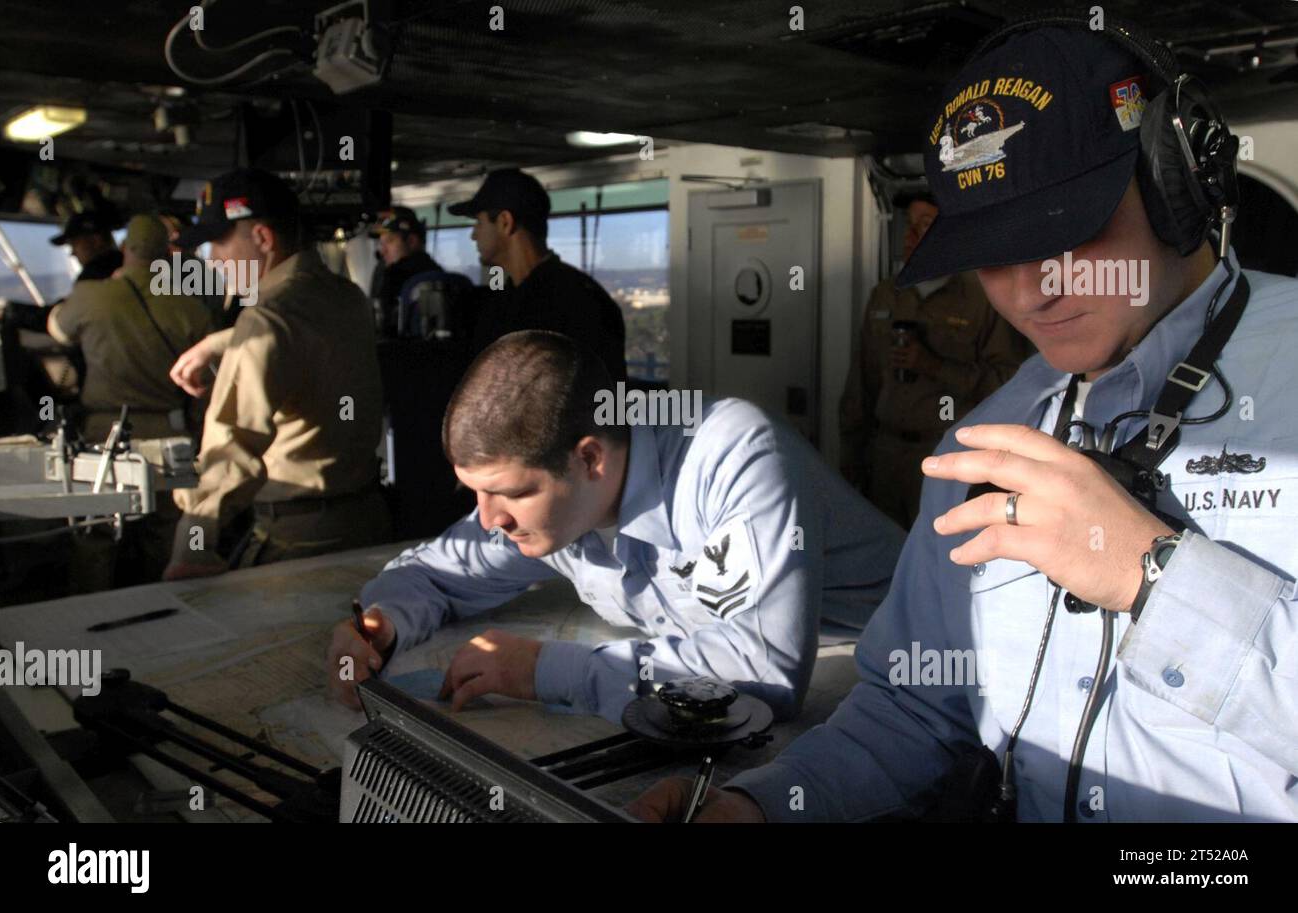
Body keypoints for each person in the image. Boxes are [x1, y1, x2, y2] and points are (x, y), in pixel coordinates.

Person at [629, 20, 1298, 823]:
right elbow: (913, 710)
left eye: (1066, 232)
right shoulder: (985, 441)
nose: (1025, 294)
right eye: (991, 250)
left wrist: (1153, 578)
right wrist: (759, 806)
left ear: (1175, 180)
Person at [326, 330, 904, 724]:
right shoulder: (551, 504)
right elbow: (433, 571)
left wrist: (544, 669)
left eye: (509, 492)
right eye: (474, 492)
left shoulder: (733, 456)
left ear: (589, 459)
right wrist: (380, 623)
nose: (489, 519)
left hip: (878, 675)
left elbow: (766, 668)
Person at [163, 168, 391, 579]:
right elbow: (305, 334)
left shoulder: (265, 321)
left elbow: (232, 448)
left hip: (300, 539)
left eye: (218, 244)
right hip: (367, 524)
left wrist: (192, 545)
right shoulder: (347, 297)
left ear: (263, 239)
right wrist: (220, 343)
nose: (212, 261)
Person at [840, 193, 1031, 528]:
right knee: (884, 558)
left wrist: (934, 366)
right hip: (885, 454)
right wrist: (850, 453)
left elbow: (1008, 383)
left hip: (947, 455)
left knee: (940, 560)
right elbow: (863, 380)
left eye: (924, 225)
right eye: (908, 226)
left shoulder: (982, 298)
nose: (910, 236)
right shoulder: (886, 295)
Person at [45, 213, 214, 442]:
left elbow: (59, 329)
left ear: (124, 247)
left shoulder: (91, 296)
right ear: (166, 252)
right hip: (171, 433)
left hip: (105, 433)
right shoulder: (193, 310)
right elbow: (207, 381)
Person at [451, 168, 628, 381]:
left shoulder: (577, 303)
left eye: (479, 223)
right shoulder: (506, 295)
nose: (473, 235)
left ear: (505, 222)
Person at [368, 206, 447, 336]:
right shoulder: (437, 272)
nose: (383, 251)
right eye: (381, 244)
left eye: (389, 241)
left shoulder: (394, 276)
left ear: (411, 241)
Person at [49, 211, 122, 283]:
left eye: (74, 244)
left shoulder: (89, 279)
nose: (72, 253)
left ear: (96, 240)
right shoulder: (126, 262)